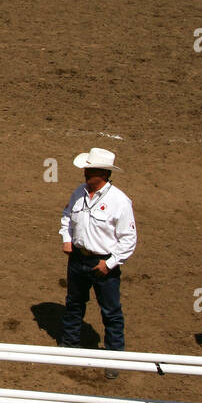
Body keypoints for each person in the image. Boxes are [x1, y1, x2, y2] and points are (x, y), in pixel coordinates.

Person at [58, 147, 136, 378]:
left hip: (103, 264)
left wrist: (109, 264)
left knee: (111, 312)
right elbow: (66, 215)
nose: (84, 173)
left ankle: (114, 358)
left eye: (90, 170)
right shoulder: (78, 193)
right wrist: (67, 238)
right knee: (74, 303)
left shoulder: (120, 201)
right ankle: (69, 345)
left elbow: (128, 239)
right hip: (78, 259)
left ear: (103, 173)